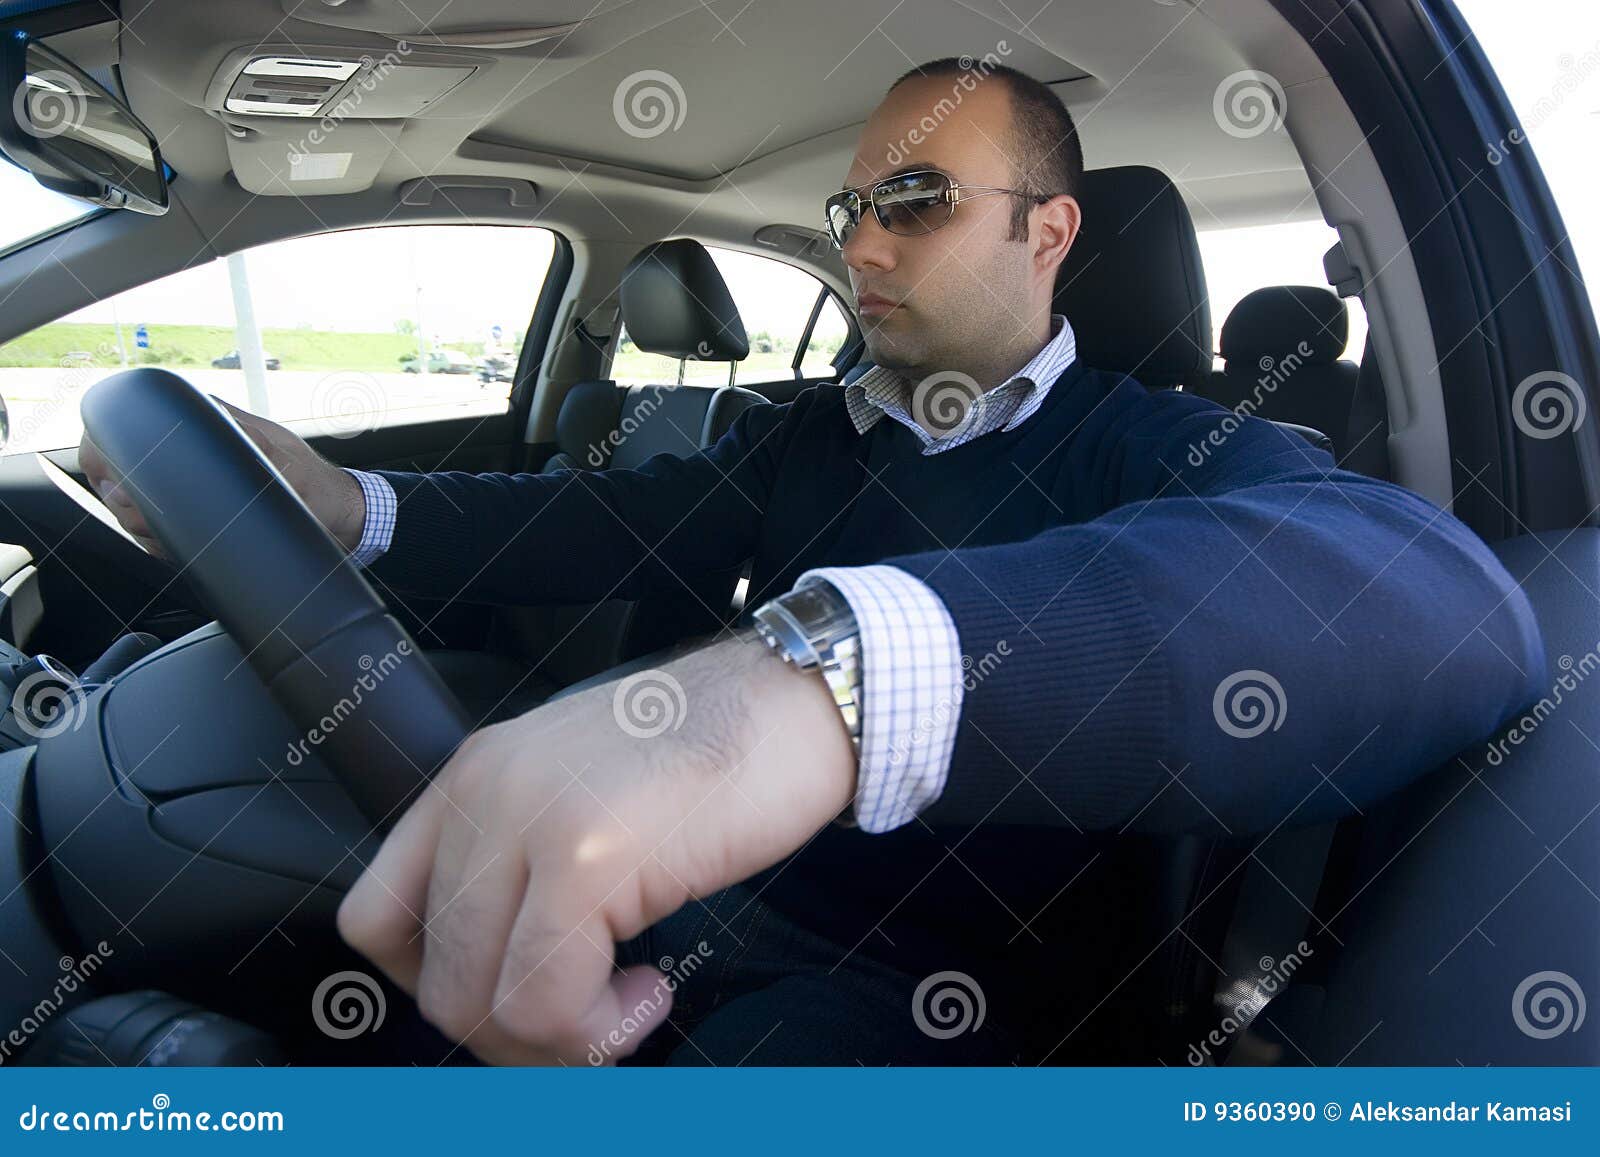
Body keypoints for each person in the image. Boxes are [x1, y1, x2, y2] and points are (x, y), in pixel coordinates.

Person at [82, 60, 1545, 1065]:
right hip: (702, 917)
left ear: (1051, 232)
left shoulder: (1162, 448)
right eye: (856, 209)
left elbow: (1429, 589)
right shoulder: (803, 440)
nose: (864, 241)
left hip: (943, 999)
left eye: (916, 201)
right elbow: (585, 525)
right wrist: (352, 504)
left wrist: (822, 679)